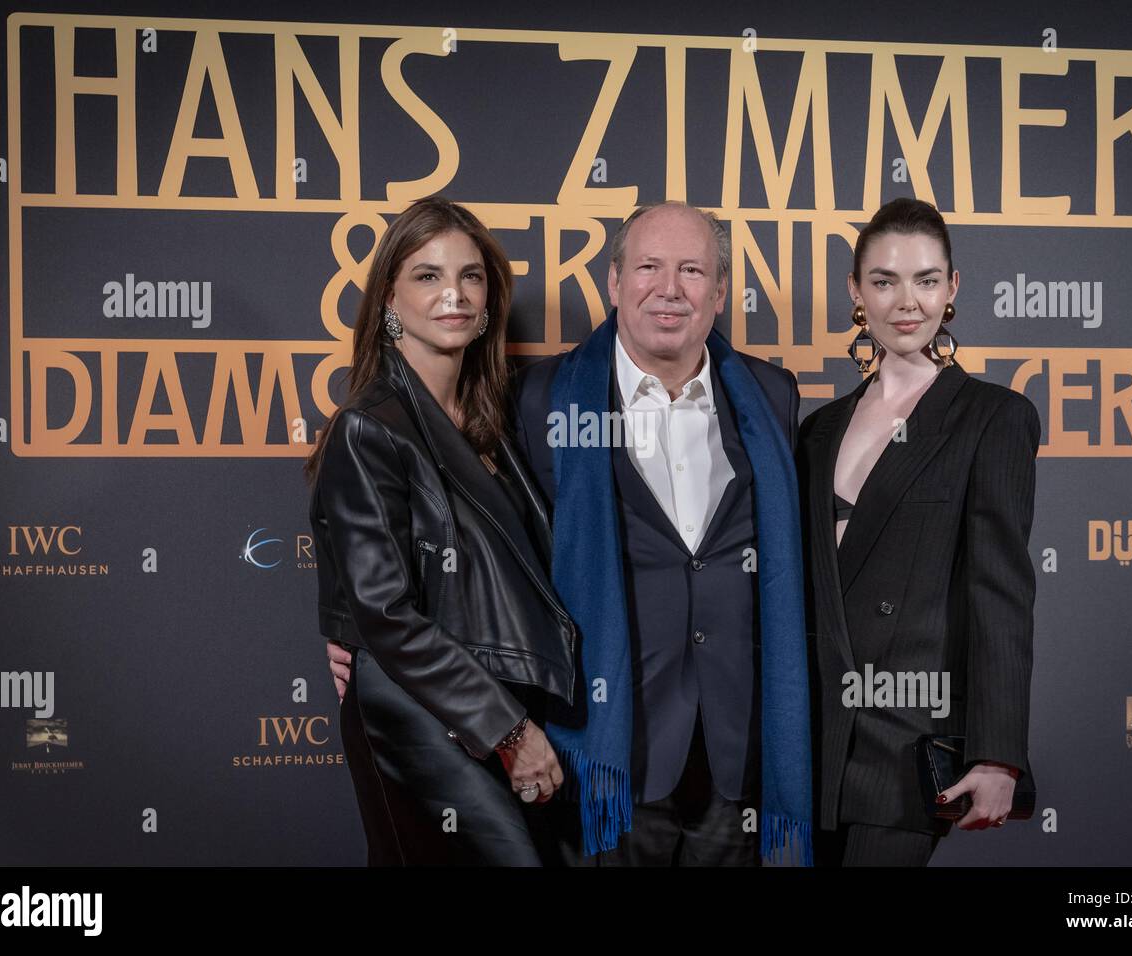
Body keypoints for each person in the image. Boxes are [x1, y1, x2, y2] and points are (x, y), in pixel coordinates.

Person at [511, 201, 812, 866]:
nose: (669, 288)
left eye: (692, 270)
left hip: (736, 759)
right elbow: (500, 563)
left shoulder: (771, 395)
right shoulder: (541, 399)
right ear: (615, 283)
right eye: (648, 267)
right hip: (602, 753)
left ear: (721, 291)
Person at [306, 195, 576, 865]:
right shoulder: (371, 427)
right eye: (428, 276)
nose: (453, 294)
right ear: (389, 299)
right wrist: (507, 731)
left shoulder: (498, 423)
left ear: (489, 298)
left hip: (494, 702)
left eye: (470, 276)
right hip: (421, 717)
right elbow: (385, 613)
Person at [797, 197, 1040, 866]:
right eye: (885, 281)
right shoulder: (818, 430)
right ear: (855, 291)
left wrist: (997, 755)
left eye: (927, 280)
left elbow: (1001, 595)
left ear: (952, 288)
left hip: (904, 743)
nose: (907, 303)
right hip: (809, 743)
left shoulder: (993, 418)